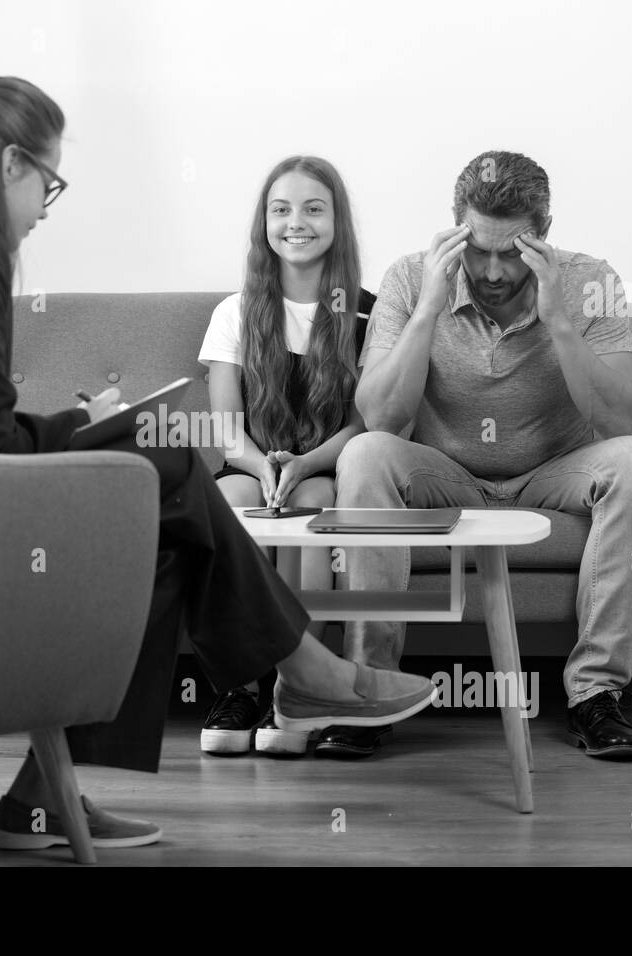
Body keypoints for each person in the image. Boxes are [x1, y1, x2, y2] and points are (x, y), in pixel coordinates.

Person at [0, 76, 438, 852]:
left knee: (164, 489)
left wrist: (87, 424)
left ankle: (50, 795)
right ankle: (310, 674)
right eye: (48, 181)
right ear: (11, 163)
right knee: (168, 469)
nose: (44, 207)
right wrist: (106, 437)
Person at [339, 150, 632, 761]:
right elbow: (381, 419)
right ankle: (371, 689)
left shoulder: (590, 279)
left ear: (543, 235)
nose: (491, 271)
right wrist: (430, 308)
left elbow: (621, 420)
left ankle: (595, 695)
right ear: (455, 229)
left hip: (552, 475)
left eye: (511, 252)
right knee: (365, 456)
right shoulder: (412, 278)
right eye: (478, 249)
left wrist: (558, 317)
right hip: (447, 474)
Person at [196, 156, 389, 759]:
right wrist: (260, 465)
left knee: (311, 506)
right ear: (264, 223)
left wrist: (306, 465)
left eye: (313, 208)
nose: (295, 222)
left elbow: (366, 423)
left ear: (337, 220)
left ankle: (293, 688)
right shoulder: (234, 312)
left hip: (327, 467)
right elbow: (226, 426)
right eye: (281, 209)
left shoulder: (368, 312)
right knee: (228, 505)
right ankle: (241, 685)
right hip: (251, 463)